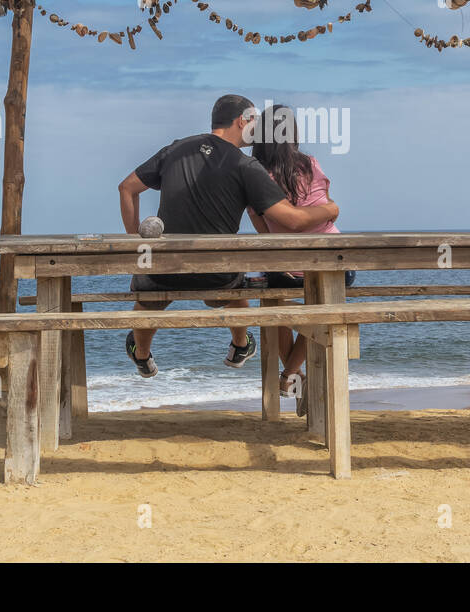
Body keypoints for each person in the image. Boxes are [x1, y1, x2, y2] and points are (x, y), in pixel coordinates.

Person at [116, 94, 340, 377]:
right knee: (239, 286)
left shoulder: (176, 149)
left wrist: (138, 244)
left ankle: (142, 355)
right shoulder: (245, 167)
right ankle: (240, 344)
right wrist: (332, 208)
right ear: (241, 121)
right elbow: (293, 220)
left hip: (165, 271)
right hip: (218, 276)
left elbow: (127, 188)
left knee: (149, 293)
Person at [248, 103, 354, 407]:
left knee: (274, 304)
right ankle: (291, 375)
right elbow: (327, 206)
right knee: (321, 306)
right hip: (334, 264)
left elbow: (264, 231)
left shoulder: (254, 175)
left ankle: (292, 376)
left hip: (287, 268)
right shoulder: (310, 164)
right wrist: (328, 211)